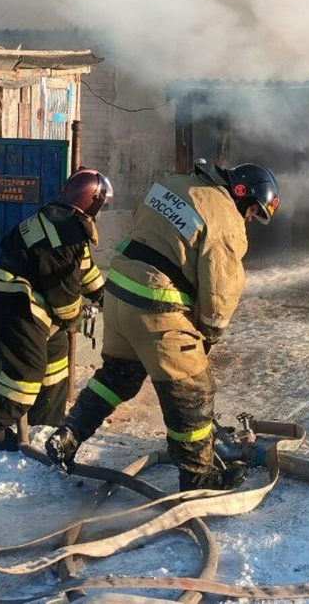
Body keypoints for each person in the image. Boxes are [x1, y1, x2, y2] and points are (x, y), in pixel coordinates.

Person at [45, 161, 279, 491]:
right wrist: (209, 333)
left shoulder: (173, 183)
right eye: (253, 211)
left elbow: (148, 226)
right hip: (158, 306)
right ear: (242, 194)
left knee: (118, 376)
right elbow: (220, 290)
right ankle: (198, 476)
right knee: (192, 392)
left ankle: (69, 435)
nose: (250, 219)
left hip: (119, 292)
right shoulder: (227, 221)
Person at [0, 168, 113, 451]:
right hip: (15, 298)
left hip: (27, 296)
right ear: (92, 201)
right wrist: (73, 316)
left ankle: (46, 418)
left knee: (56, 352)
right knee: (26, 371)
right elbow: (63, 293)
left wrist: (103, 295)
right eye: (102, 204)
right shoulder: (65, 231)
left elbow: (81, 268)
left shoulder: (65, 222)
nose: (102, 211)